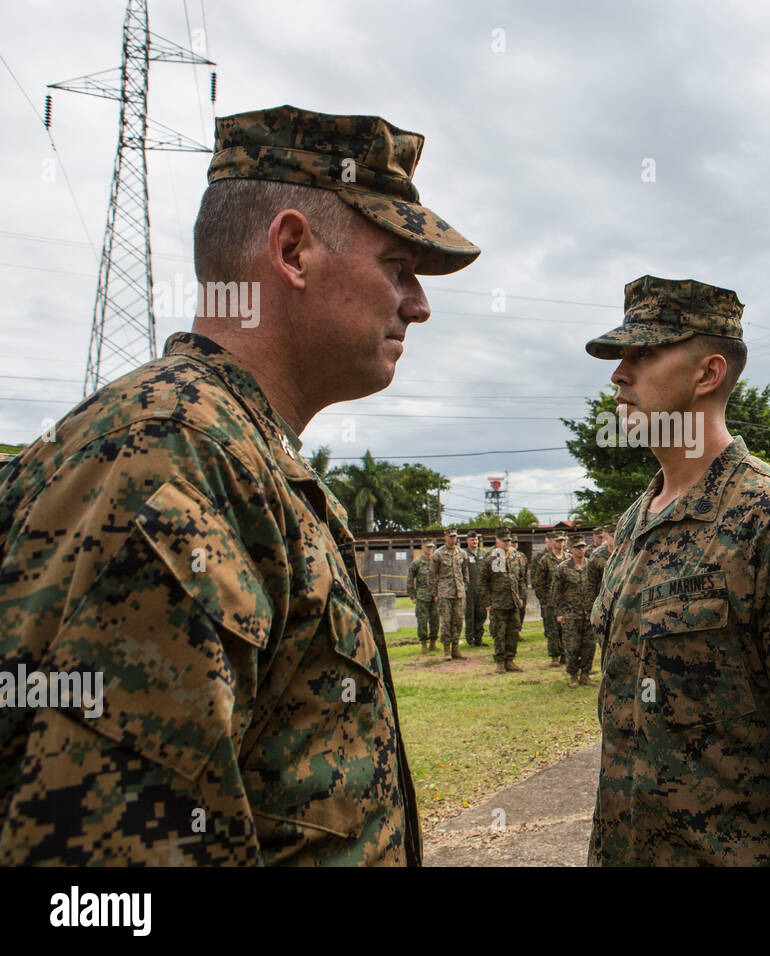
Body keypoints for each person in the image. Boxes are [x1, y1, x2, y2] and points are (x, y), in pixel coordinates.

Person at [0, 104, 480, 865]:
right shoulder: (170, 462)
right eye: (398, 268)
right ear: (293, 250)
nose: (417, 305)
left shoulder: (233, 453)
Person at [584, 275, 770, 866]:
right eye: (619, 356)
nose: (618, 374)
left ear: (707, 374)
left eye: (643, 354)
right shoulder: (634, 524)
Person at [551, 538, 597, 688]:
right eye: (577, 547)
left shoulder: (591, 566)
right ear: (571, 549)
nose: (581, 550)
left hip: (589, 614)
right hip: (571, 614)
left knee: (589, 646)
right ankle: (573, 676)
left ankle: (585, 674)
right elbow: (556, 592)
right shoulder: (563, 568)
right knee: (572, 647)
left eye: (583, 547)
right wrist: (559, 613)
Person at [479, 530, 526, 672]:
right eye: (504, 540)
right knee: (499, 633)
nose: (507, 543)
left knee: (513, 631)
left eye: (509, 540)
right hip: (497, 602)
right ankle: (500, 661)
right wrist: (487, 602)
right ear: (497, 541)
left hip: (513, 601)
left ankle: (510, 660)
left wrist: (522, 597)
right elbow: (482, 582)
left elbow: (522, 579)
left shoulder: (517, 557)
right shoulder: (490, 558)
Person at [432, 529, 469, 660]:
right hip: (444, 593)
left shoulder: (462, 553)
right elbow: (434, 575)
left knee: (458, 621)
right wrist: (435, 593)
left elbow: (465, 572)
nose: (454, 539)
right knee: (446, 622)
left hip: (459, 592)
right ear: (445, 537)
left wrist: (465, 587)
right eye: (451, 536)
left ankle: (455, 648)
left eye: (455, 536)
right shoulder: (438, 554)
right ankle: (446, 650)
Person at [532, 531, 567, 667]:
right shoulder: (545, 560)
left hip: (567, 601)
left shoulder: (569, 558)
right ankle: (554, 656)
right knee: (552, 630)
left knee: (566, 630)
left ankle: (565, 655)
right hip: (551, 601)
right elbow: (538, 583)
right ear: (552, 542)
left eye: (562, 540)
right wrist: (544, 601)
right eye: (557, 541)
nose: (560, 543)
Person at [407, 540, 439, 653]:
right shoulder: (417, 563)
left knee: (435, 620)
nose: (429, 549)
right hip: (422, 596)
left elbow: (441, 578)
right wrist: (412, 595)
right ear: (422, 547)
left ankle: (433, 643)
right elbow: (410, 579)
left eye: (431, 547)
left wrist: (438, 594)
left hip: (435, 597)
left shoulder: (436, 561)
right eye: (427, 547)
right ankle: (424, 644)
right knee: (422, 621)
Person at [463, 531, 488, 646]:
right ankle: (470, 639)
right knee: (470, 614)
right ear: (467, 541)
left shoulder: (483, 554)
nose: (475, 542)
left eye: (476, 540)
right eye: (472, 540)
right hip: (469, 589)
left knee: (481, 614)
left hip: (481, 589)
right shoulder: (464, 554)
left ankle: (479, 638)